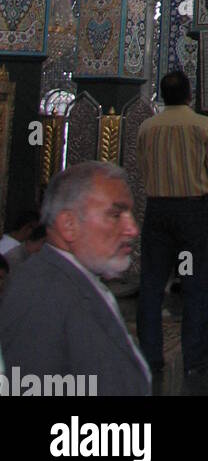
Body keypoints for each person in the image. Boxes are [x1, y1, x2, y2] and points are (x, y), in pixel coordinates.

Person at [0, 162, 150, 395]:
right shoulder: (42, 295)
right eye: (115, 214)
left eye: (130, 215)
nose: (132, 229)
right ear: (69, 224)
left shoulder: (72, 281)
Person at [136, 69, 208, 377]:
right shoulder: (202, 125)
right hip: (192, 213)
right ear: (190, 95)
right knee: (196, 286)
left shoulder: (147, 127)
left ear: (162, 95)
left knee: (151, 287)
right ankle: (195, 362)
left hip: (158, 212)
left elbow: (142, 167)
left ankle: (150, 358)